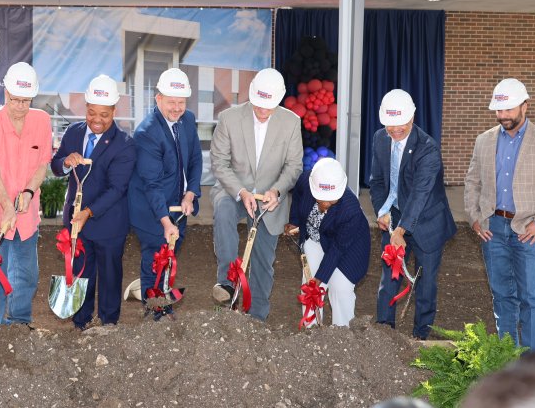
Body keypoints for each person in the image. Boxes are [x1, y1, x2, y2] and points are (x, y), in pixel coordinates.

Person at [209, 68, 303, 320]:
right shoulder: (229, 118)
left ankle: (257, 317)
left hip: (269, 199)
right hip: (234, 189)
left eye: (268, 107)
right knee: (224, 210)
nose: (262, 111)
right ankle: (226, 282)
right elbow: (219, 162)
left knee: (263, 258)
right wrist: (240, 191)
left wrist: (276, 190)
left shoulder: (291, 122)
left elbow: (294, 166)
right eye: (258, 105)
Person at [50, 75, 136, 330]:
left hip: (108, 222)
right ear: (86, 107)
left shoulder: (124, 145)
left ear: (114, 111)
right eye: (91, 113)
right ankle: (81, 321)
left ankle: (108, 323)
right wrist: (66, 162)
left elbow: (117, 188)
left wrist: (88, 212)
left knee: (109, 275)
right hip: (76, 222)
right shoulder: (73, 133)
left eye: (104, 115)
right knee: (81, 272)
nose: (97, 120)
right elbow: (56, 165)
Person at [370, 89, 456, 340]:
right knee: (389, 279)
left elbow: (420, 194)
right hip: (395, 216)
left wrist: (401, 230)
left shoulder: (428, 149)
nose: (395, 132)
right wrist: (383, 211)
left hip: (428, 222)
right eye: (390, 126)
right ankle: (384, 334)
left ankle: (420, 338)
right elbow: (377, 182)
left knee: (426, 283)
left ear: (412, 117)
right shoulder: (380, 139)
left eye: (401, 126)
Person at [464, 78, 535, 351]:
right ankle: (508, 359)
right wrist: (475, 217)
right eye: (499, 110)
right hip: (493, 229)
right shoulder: (483, 141)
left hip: (530, 232)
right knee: (502, 297)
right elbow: (472, 182)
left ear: (525, 106)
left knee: (532, 299)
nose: (503, 115)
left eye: (508, 109)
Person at [0, 62, 52, 327]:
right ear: (6, 93)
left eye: (26, 101)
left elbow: (42, 164)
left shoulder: (42, 121)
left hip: (27, 216)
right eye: (15, 100)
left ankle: (20, 322)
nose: (20, 106)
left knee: (27, 274)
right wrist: (7, 205)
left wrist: (29, 192)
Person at [127, 68, 202, 320]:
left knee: (170, 257)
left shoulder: (188, 120)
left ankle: (162, 305)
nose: (177, 108)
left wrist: (190, 194)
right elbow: (152, 184)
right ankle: (154, 315)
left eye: (181, 102)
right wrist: (166, 221)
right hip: (151, 209)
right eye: (171, 102)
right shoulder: (147, 133)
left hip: (179, 207)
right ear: (158, 98)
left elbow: (195, 159)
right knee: (154, 259)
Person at [285, 157, 370, 327]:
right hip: (316, 236)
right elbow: (298, 196)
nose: (325, 204)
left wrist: (320, 279)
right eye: (320, 198)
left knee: (340, 288)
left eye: (331, 200)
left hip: (348, 247)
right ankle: (312, 330)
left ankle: (342, 333)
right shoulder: (306, 180)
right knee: (309, 284)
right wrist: (294, 221)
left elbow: (337, 249)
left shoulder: (350, 209)